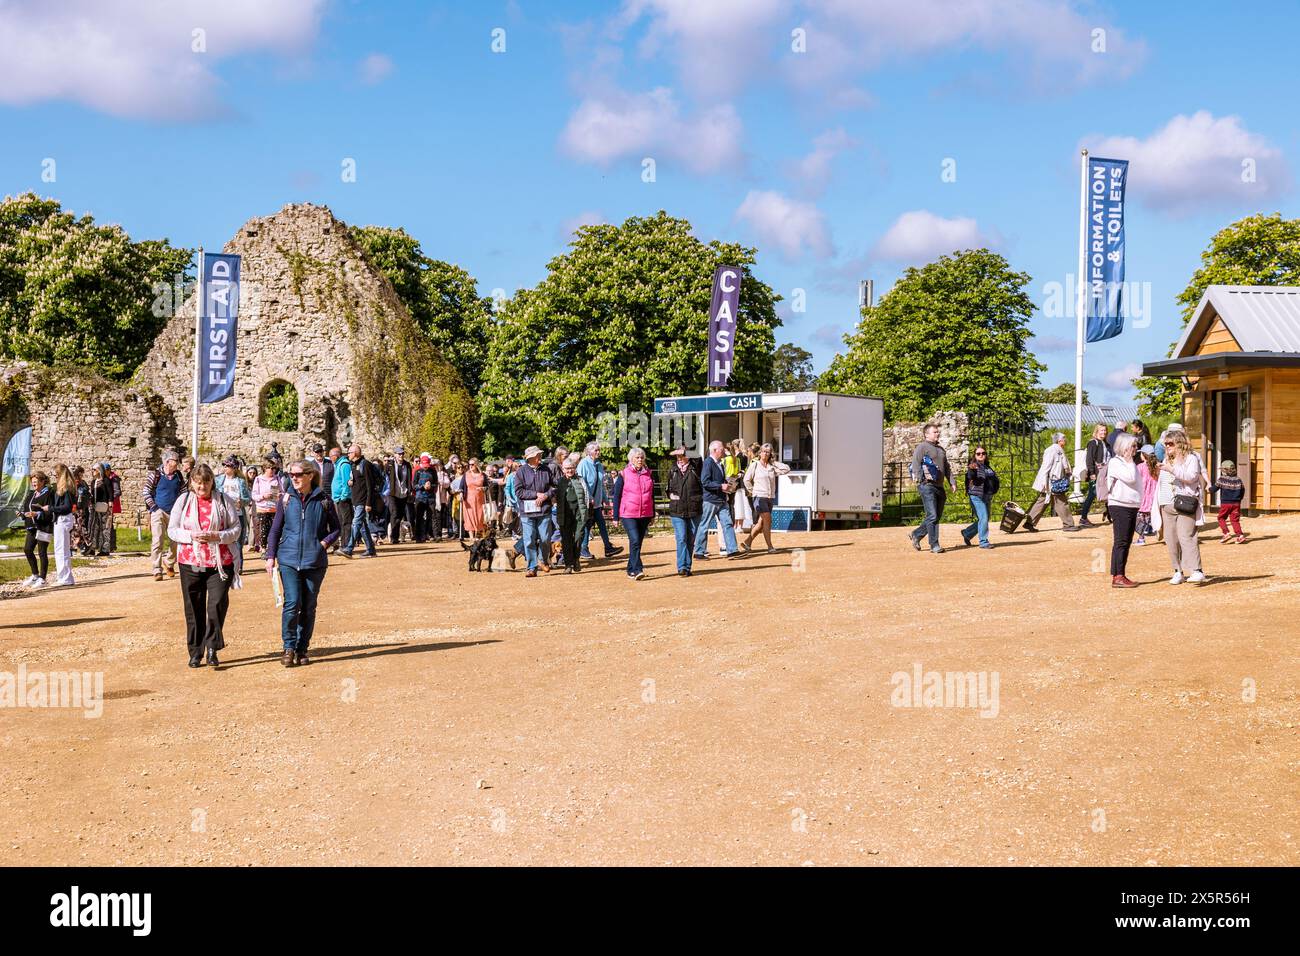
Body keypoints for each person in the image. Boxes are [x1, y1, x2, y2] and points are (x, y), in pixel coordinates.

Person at [266, 460, 340, 667]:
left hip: (314, 561)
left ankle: (302, 648)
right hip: (288, 559)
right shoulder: (286, 500)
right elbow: (275, 530)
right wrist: (270, 556)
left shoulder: (324, 500)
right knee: (292, 603)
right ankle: (288, 647)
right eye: (291, 475)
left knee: (308, 606)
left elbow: (336, 528)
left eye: (298, 474)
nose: (294, 478)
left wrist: (323, 544)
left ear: (309, 475)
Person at [168, 463, 242, 667]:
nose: (202, 487)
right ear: (192, 482)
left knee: (216, 604)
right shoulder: (183, 501)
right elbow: (172, 530)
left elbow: (236, 529)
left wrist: (217, 536)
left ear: (212, 482)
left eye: (206, 482)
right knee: (193, 607)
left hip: (220, 562)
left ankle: (212, 647)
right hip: (190, 561)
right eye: (198, 482)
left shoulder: (224, 501)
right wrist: (191, 535)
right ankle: (195, 651)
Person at [1159, 428, 1206, 584]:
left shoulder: (1191, 458)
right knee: (1171, 539)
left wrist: (1171, 469)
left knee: (1186, 536)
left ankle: (1197, 570)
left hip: (1185, 502)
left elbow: (1191, 477)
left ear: (1179, 443)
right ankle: (1178, 571)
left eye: (1170, 444)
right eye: (1165, 444)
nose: (1167, 447)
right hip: (1167, 503)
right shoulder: (1166, 459)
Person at [909, 423, 957, 553]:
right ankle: (934, 545)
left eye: (937, 431)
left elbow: (946, 467)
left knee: (935, 516)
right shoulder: (922, 447)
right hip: (927, 485)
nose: (938, 433)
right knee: (933, 515)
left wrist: (952, 482)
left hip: (939, 487)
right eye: (935, 432)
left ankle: (916, 534)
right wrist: (919, 480)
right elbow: (915, 463)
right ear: (927, 434)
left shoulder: (941, 449)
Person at [1103, 434, 1142, 588]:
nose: (1136, 449)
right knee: (1121, 541)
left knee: (1125, 541)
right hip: (1120, 505)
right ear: (1125, 447)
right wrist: (1129, 460)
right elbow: (1131, 478)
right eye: (1133, 446)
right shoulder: (1116, 462)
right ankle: (1118, 576)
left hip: (1130, 505)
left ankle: (1120, 574)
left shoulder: (1127, 462)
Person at [612, 446, 655, 581]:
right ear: (631, 459)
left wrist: (653, 514)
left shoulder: (648, 473)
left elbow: (651, 495)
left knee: (637, 542)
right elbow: (616, 496)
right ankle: (637, 569)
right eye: (637, 457)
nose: (640, 459)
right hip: (628, 513)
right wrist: (615, 516)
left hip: (645, 513)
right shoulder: (623, 474)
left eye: (642, 457)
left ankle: (630, 568)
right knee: (635, 540)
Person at [740, 443, 790, 553]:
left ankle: (747, 542)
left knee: (761, 523)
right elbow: (746, 480)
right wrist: (753, 491)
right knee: (768, 520)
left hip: (770, 497)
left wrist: (773, 462)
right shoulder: (755, 465)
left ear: (770, 454)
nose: (765, 453)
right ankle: (770, 547)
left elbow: (787, 469)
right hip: (759, 497)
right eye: (763, 451)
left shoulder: (771, 467)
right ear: (760, 453)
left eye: (768, 452)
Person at [694, 440, 740, 560]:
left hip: (721, 499)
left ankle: (732, 550)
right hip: (710, 500)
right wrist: (720, 486)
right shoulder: (708, 463)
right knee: (704, 525)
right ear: (714, 450)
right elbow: (705, 482)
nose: (724, 450)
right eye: (721, 448)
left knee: (728, 523)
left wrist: (727, 485)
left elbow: (716, 481)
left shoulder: (720, 463)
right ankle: (699, 551)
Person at [1025, 432, 1078, 533]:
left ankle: (1029, 522)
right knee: (1061, 502)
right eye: (1064, 438)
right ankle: (1068, 524)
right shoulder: (1052, 450)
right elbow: (1046, 467)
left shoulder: (1057, 450)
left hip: (1053, 481)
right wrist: (1045, 482)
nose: (1065, 440)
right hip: (1052, 482)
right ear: (1059, 440)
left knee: (1042, 501)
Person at [143, 450, 184, 580]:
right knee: (157, 541)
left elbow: (183, 492)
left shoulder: (178, 476)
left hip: (175, 513)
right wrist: (154, 508)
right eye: (175, 461)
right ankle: (156, 569)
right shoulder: (154, 475)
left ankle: (169, 562)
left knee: (176, 540)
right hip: (158, 511)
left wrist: (181, 508)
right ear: (167, 462)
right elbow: (146, 492)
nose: (178, 464)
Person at [514, 446, 554, 577]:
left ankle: (543, 560)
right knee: (529, 539)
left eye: (540, 455)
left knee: (545, 538)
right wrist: (536, 494)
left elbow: (554, 487)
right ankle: (531, 567)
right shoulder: (521, 472)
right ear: (530, 458)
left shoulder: (546, 469)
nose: (540, 457)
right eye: (537, 455)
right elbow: (519, 492)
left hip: (544, 510)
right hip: (527, 512)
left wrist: (546, 495)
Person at [577, 442, 621, 560]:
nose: (598, 452)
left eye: (598, 450)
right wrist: (589, 497)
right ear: (589, 451)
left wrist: (605, 499)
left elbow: (600, 484)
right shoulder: (583, 464)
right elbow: (582, 483)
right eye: (596, 450)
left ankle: (607, 547)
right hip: (587, 503)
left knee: (601, 525)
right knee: (587, 526)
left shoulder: (599, 465)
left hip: (597, 503)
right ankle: (584, 549)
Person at [666, 445, 703, 576]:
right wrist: (671, 496)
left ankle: (687, 566)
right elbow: (668, 488)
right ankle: (682, 566)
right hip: (677, 510)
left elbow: (698, 456)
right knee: (681, 538)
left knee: (690, 539)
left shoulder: (696, 467)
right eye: (678, 456)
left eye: (683, 455)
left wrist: (686, 450)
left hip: (694, 509)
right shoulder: (673, 470)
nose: (680, 458)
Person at [340, 444, 379, 558]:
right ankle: (371, 550)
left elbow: (370, 485)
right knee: (362, 526)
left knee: (356, 523)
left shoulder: (365, 464)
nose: (348, 455)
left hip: (363, 501)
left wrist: (368, 503)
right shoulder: (353, 465)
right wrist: (350, 483)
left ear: (356, 453)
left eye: (349, 453)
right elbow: (357, 481)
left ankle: (349, 548)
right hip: (356, 500)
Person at [555, 455, 589, 573]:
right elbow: (555, 497)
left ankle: (576, 559)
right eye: (567, 468)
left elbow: (587, 496)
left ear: (575, 468)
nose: (570, 470)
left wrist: (586, 511)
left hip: (579, 513)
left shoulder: (580, 480)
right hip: (564, 514)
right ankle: (568, 565)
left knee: (579, 537)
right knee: (566, 539)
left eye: (572, 468)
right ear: (563, 469)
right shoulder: (559, 482)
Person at [960, 445, 999, 549]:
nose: (981, 455)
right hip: (977, 496)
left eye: (983, 453)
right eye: (978, 453)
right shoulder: (974, 466)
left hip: (987, 496)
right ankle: (983, 542)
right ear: (975, 455)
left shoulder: (987, 466)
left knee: (985, 518)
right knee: (984, 518)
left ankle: (967, 533)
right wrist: (972, 470)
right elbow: (970, 475)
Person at [20, 471, 53, 589]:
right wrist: (22, 514)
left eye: (36, 482)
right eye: (32, 482)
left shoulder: (49, 493)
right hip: (32, 527)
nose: (34, 484)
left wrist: (37, 514)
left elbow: (50, 511)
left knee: (42, 552)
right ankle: (35, 575)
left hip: (44, 526)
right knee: (28, 549)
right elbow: (27, 508)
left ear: (43, 481)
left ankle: (43, 579)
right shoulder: (32, 494)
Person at [219, 456, 251, 571]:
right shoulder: (219, 480)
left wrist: (241, 502)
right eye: (224, 465)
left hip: (238, 514)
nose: (225, 467)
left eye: (227, 465)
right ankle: (223, 564)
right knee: (223, 540)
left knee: (238, 542)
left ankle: (238, 566)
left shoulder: (240, 481)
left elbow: (248, 498)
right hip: (223, 514)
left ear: (234, 468)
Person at [1079, 423, 1111, 528]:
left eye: (1105, 430)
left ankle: (1110, 515)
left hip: (1106, 472)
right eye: (1101, 430)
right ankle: (1083, 518)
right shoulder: (1093, 443)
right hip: (1097, 473)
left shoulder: (1105, 443)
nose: (1104, 432)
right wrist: (1092, 473)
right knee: (1092, 494)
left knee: (1109, 493)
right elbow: (1090, 459)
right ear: (1096, 431)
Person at [1210, 460, 1248, 544]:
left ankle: (1226, 533)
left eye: (1222, 470)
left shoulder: (1222, 479)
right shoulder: (1238, 479)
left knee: (1221, 518)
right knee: (1235, 520)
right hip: (1236, 504)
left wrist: (1208, 489)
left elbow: (1213, 490)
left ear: (1225, 470)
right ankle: (1240, 536)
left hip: (1225, 503)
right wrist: (1239, 499)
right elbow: (1243, 490)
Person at [251, 457, 282, 553]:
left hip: (274, 508)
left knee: (275, 530)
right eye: (270, 468)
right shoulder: (258, 479)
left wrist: (279, 495)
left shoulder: (277, 478)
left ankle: (272, 550)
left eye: (274, 468)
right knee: (263, 531)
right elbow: (254, 495)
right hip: (262, 509)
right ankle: (264, 550)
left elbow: (283, 492)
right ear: (265, 468)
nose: (272, 470)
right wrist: (263, 496)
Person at [384, 446, 412, 544]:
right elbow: (385, 477)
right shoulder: (390, 465)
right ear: (395, 454)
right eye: (399, 454)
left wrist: (409, 490)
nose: (401, 455)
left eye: (402, 454)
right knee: (394, 513)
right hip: (392, 493)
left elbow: (409, 479)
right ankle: (393, 537)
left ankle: (395, 537)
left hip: (403, 493)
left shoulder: (407, 465)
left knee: (399, 515)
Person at [89, 461, 116, 556]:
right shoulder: (93, 482)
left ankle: (105, 549)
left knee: (105, 528)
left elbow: (110, 493)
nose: (92, 471)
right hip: (95, 508)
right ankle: (92, 547)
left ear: (99, 470)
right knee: (95, 528)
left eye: (94, 470)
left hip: (105, 507)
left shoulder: (106, 481)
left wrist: (110, 503)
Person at [330, 448, 353, 553]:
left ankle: (346, 545)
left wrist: (343, 496)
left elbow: (346, 482)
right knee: (341, 522)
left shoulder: (344, 465)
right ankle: (344, 545)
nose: (330, 459)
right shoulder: (338, 464)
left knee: (346, 522)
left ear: (336, 455)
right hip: (339, 499)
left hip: (344, 499)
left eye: (331, 456)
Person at [1135, 444, 1158, 546]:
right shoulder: (1158, 466)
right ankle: (1155, 530)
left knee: (1141, 519)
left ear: (1143, 455)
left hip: (1143, 497)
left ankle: (1141, 538)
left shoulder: (1140, 467)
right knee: (1153, 516)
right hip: (1154, 496)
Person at [412, 454, 438, 543]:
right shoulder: (417, 472)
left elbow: (436, 483)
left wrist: (431, 486)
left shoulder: (433, 471)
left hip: (430, 497)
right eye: (424, 465)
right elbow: (414, 485)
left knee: (432, 516)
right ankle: (418, 536)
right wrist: (423, 486)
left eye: (427, 465)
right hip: (420, 497)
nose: (426, 467)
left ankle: (432, 535)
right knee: (419, 517)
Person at [462, 457, 487, 540]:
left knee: (479, 516)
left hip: (480, 499)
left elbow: (486, 486)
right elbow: (461, 486)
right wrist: (461, 494)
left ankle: (478, 534)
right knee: (469, 517)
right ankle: (471, 536)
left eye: (472, 464)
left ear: (476, 465)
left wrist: (483, 488)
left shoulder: (482, 475)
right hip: (468, 499)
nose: (470, 466)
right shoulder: (466, 474)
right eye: (469, 464)